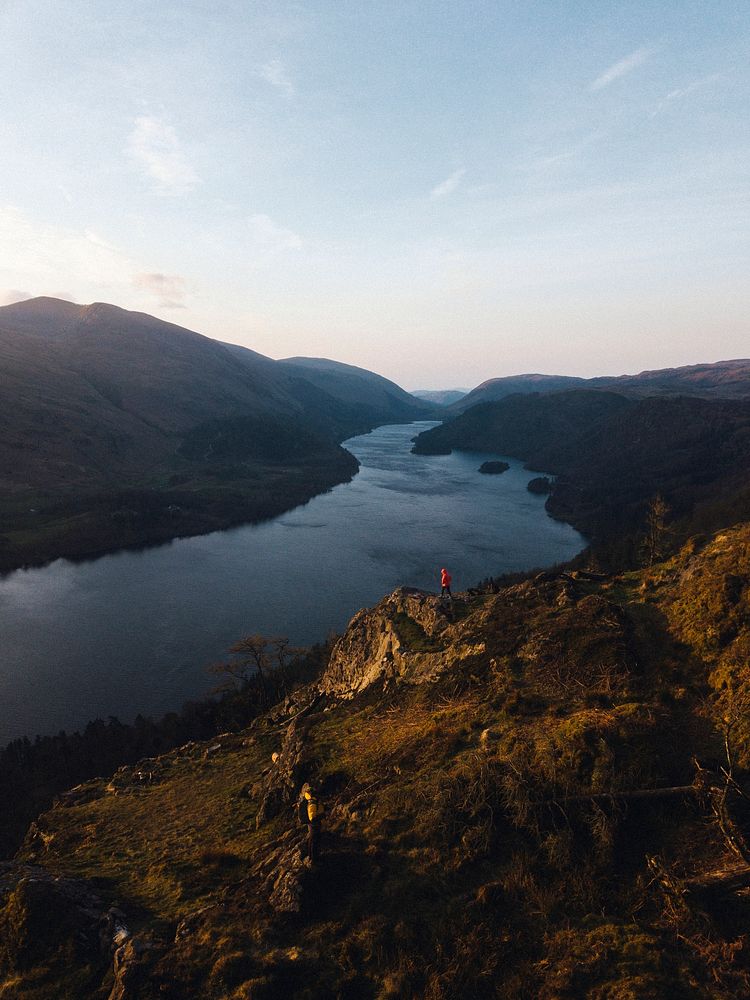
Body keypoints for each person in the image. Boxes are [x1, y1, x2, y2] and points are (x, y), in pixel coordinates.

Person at [299, 785, 323, 863]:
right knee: (314, 841)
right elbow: (312, 816)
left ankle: (312, 857)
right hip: (314, 824)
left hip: (312, 824)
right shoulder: (312, 802)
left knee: (313, 840)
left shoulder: (311, 801)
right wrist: (318, 818)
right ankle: (313, 858)